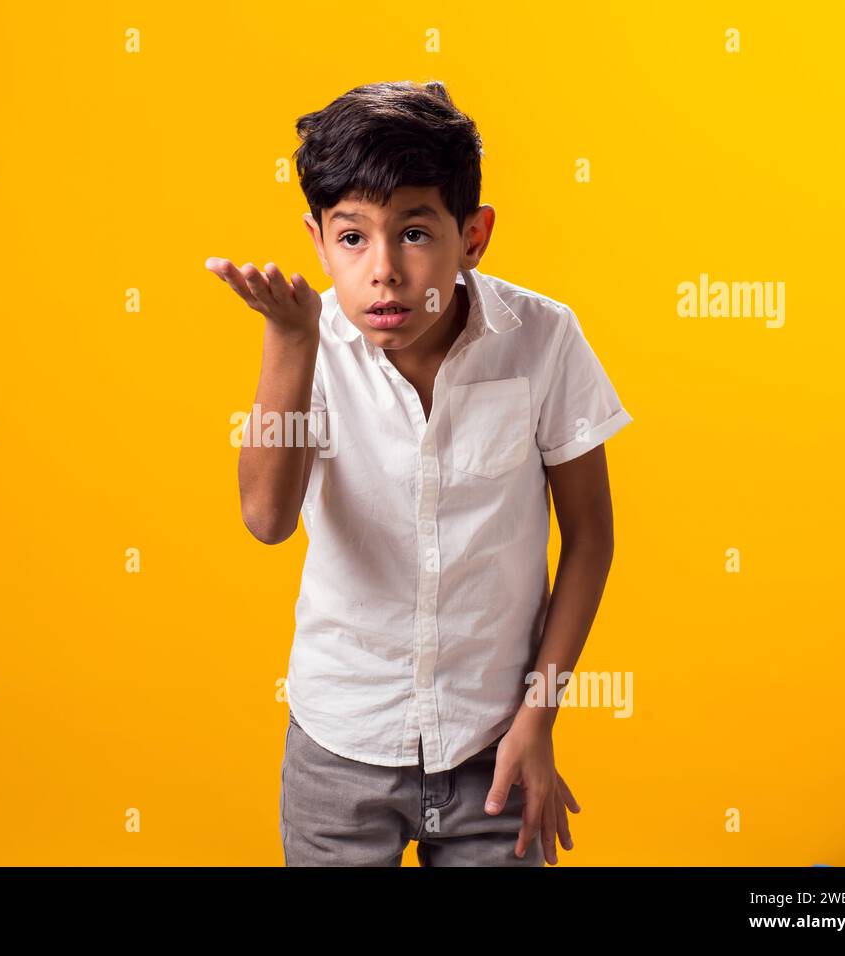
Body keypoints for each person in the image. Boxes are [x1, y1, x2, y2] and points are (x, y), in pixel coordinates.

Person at [205, 80, 632, 866]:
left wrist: (538, 718)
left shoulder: (542, 338)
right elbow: (266, 519)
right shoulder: (314, 343)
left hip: (493, 747)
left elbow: (591, 536)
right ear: (318, 239)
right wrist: (290, 344)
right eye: (352, 238)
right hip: (341, 744)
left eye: (412, 233)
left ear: (473, 235)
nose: (383, 272)